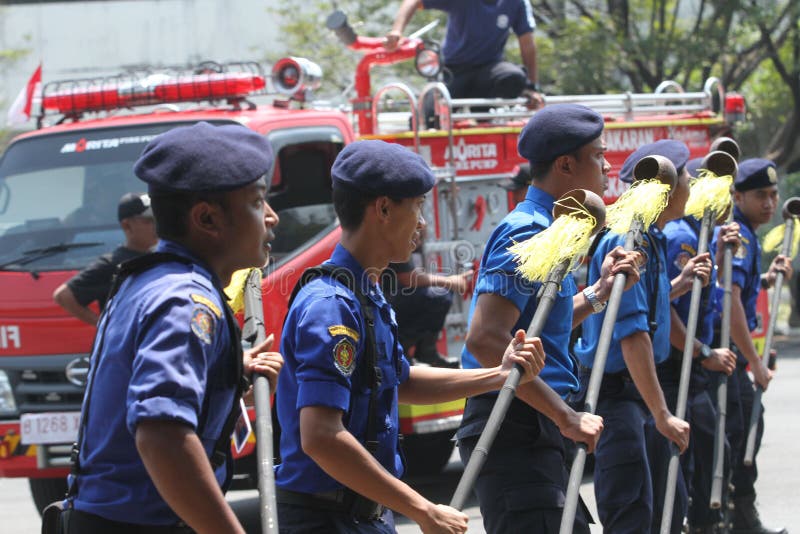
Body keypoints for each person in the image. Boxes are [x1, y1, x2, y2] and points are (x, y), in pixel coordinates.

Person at [274, 139, 546, 534]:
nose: (422, 223)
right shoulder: (332, 305)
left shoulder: (365, 294)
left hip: (363, 515)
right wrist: (423, 510)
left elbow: (403, 380)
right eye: (416, 207)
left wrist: (499, 375)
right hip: (326, 520)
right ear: (383, 209)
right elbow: (321, 437)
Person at [62, 122, 284, 534]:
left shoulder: (151, 278)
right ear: (207, 219)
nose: (271, 217)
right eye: (257, 203)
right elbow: (161, 435)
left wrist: (230, 371)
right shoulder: (186, 302)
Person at [456, 104, 642, 533]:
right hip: (513, 423)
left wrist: (600, 292)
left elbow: (543, 324)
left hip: (534, 424)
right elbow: (486, 341)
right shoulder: (529, 231)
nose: (608, 164)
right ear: (565, 165)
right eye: (598, 155)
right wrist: (565, 416)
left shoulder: (554, 228)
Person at [575, 140, 707, 533]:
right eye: (685, 179)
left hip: (639, 397)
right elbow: (632, 336)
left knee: (669, 505)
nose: (691, 188)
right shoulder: (626, 241)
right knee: (633, 513)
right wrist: (662, 414)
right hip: (620, 398)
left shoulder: (652, 236)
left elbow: (647, 309)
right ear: (665, 189)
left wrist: (678, 285)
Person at [709, 158, 790, 534]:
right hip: (723, 357)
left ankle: (737, 515)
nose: (770, 203)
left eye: (774, 195)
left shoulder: (746, 233)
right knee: (739, 436)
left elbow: (740, 292)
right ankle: (735, 519)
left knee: (744, 433)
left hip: (731, 356)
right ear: (737, 196)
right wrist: (756, 362)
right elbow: (730, 303)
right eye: (761, 195)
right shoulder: (737, 235)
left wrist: (769, 279)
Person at [662, 155, 739, 533]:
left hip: (692, 367)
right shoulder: (682, 237)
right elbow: (670, 313)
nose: (731, 201)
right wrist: (704, 354)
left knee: (712, 452)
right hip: (679, 369)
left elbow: (709, 296)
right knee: (701, 457)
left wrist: (723, 252)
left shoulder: (704, 234)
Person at [385, 0, 544, 108]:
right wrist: (396, 31)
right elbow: (413, 1)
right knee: (430, 113)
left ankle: (483, 118)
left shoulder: (516, 3)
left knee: (514, 77)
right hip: (454, 70)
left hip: (489, 69)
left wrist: (531, 87)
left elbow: (527, 44)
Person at [53, 192, 158, 326]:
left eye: (157, 220)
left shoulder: (159, 256)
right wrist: (103, 326)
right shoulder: (113, 264)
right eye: (148, 221)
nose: (155, 226)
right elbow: (63, 295)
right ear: (127, 225)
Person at [381, 231, 473, 368]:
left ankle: (423, 351)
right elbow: (408, 278)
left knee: (440, 291)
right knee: (440, 294)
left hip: (388, 299)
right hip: (385, 302)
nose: (422, 224)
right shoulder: (394, 235)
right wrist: (448, 281)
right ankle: (404, 348)